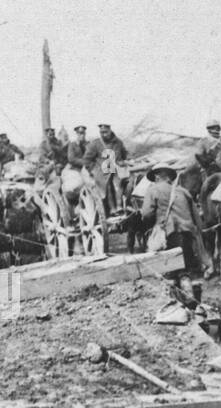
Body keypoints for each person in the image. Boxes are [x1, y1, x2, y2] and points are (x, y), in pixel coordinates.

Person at [141, 159, 204, 305]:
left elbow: (146, 214)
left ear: (156, 177)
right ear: (169, 176)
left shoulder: (153, 190)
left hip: (169, 235)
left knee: (169, 270)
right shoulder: (183, 192)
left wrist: (153, 224)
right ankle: (194, 301)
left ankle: (172, 304)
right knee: (187, 268)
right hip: (188, 234)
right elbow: (197, 218)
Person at [86, 123, 129, 213]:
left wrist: (126, 160)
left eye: (106, 132)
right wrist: (92, 170)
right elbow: (87, 159)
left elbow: (125, 154)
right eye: (102, 132)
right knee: (107, 184)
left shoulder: (118, 142)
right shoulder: (95, 144)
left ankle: (120, 205)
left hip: (117, 169)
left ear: (110, 131)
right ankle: (112, 208)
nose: (104, 134)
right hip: (102, 171)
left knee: (121, 182)